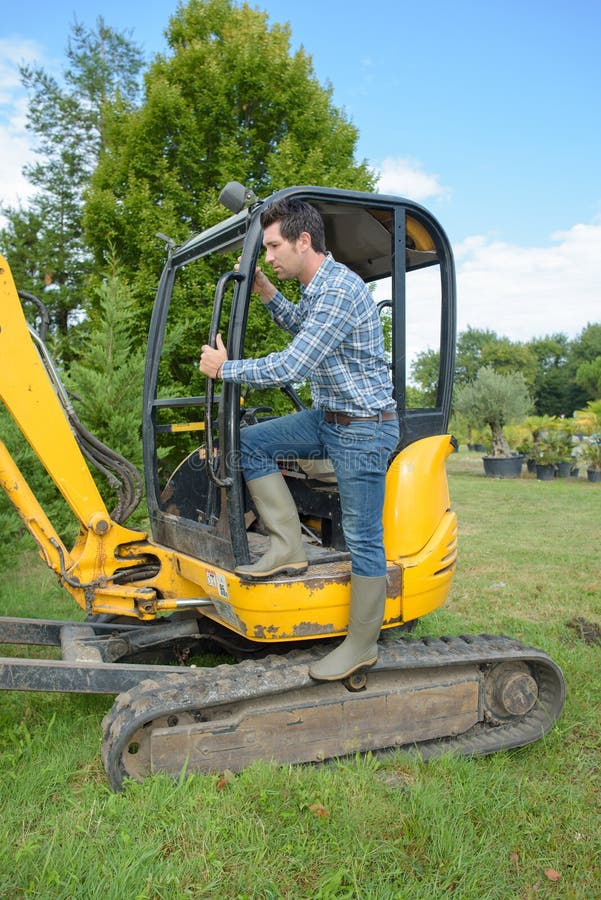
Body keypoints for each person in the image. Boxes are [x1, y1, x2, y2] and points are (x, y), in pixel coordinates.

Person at [199, 197, 399, 682]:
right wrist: (267, 292)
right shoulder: (315, 286)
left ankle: (361, 645)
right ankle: (288, 546)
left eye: (272, 247)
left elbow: (293, 363)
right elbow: (300, 325)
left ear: (303, 240)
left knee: (363, 538)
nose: (267, 256)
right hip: (330, 419)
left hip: (364, 428)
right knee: (250, 443)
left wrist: (226, 370)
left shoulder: (339, 289)